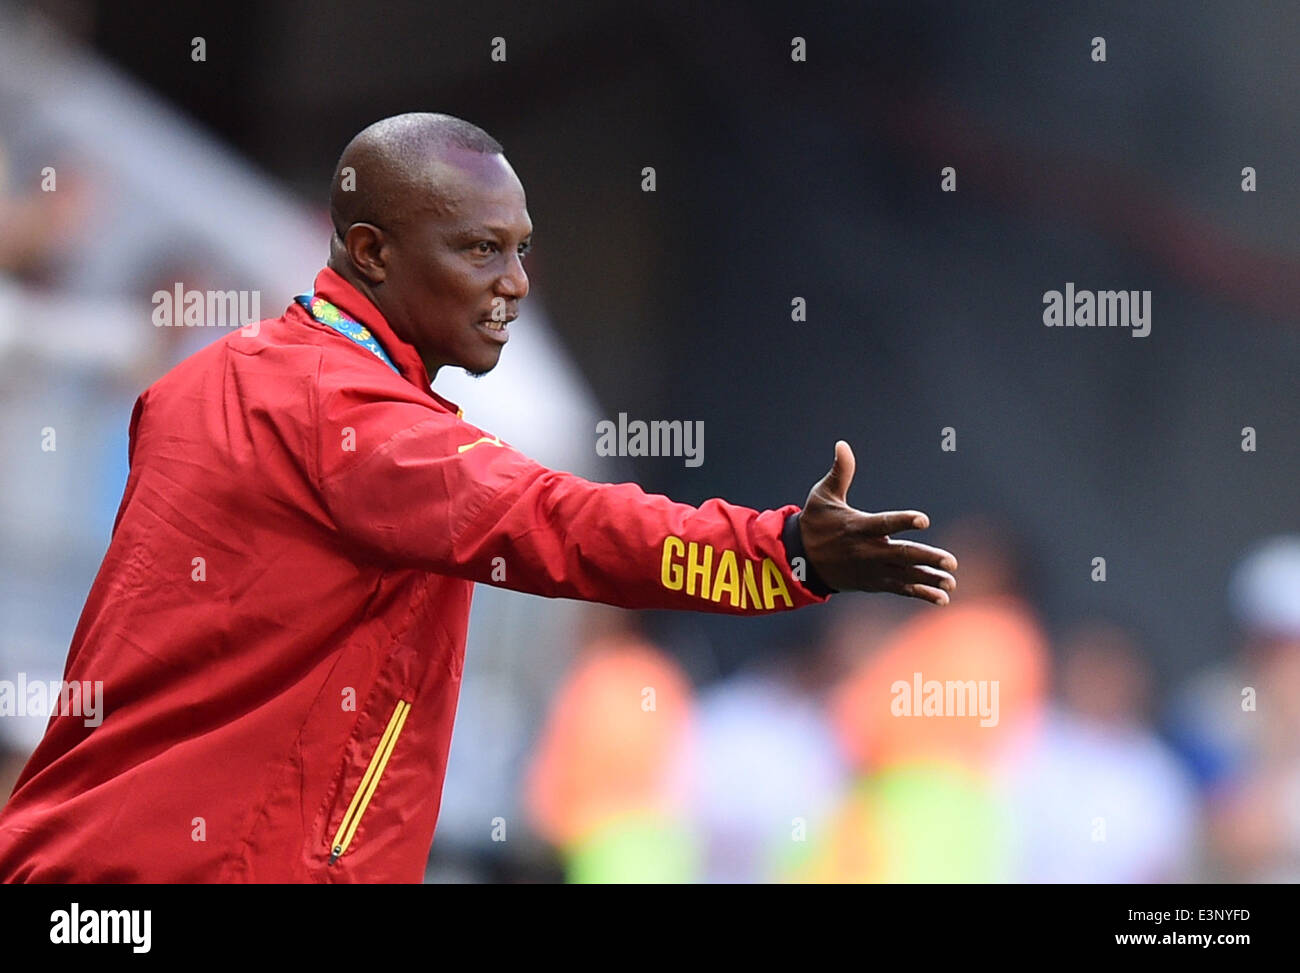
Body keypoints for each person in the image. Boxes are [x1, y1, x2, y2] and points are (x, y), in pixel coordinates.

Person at [0, 113, 957, 882]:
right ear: (370, 250)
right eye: (480, 250)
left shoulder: (209, 376)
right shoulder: (356, 422)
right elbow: (559, 523)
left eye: (522, 249)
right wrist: (782, 550)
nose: (516, 284)